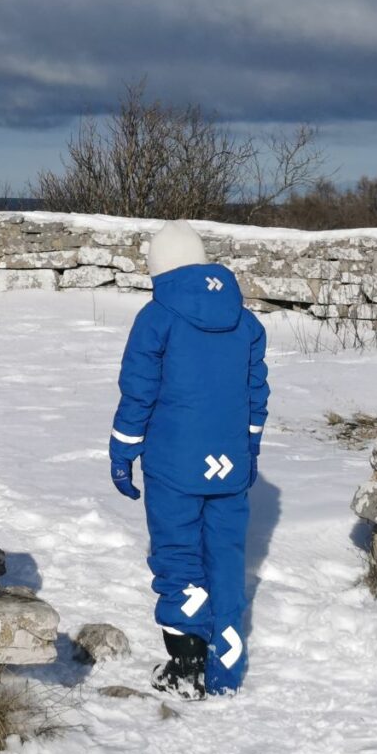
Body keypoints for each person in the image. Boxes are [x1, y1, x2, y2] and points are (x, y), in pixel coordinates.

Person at [106, 221, 269, 698]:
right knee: (226, 558)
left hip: (173, 464)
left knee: (179, 556)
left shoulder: (157, 318)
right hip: (230, 465)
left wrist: (123, 450)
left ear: (158, 267)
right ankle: (226, 669)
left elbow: (139, 393)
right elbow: (256, 394)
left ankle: (187, 667)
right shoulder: (246, 322)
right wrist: (250, 447)